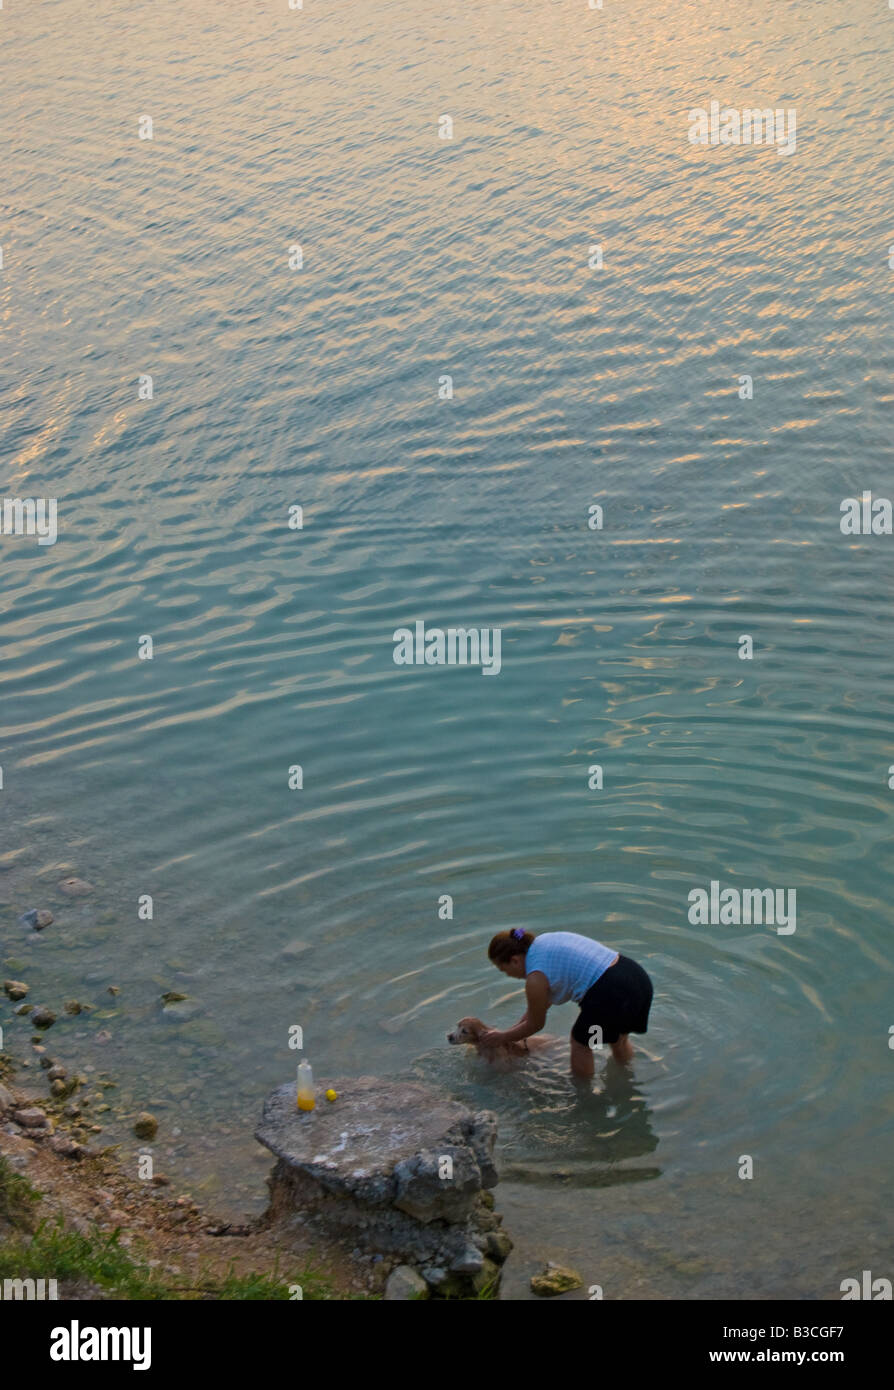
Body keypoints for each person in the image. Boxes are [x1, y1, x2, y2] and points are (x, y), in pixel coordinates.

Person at [479, 928, 653, 1078]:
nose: (508, 975)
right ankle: (627, 1078)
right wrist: (513, 1031)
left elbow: (536, 1024)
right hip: (636, 980)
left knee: (581, 1043)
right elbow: (538, 1009)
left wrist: (502, 1037)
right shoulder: (543, 943)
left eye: (504, 969)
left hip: (610, 993)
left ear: (515, 960)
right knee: (618, 1039)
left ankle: (586, 1099)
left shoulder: (535, 978)